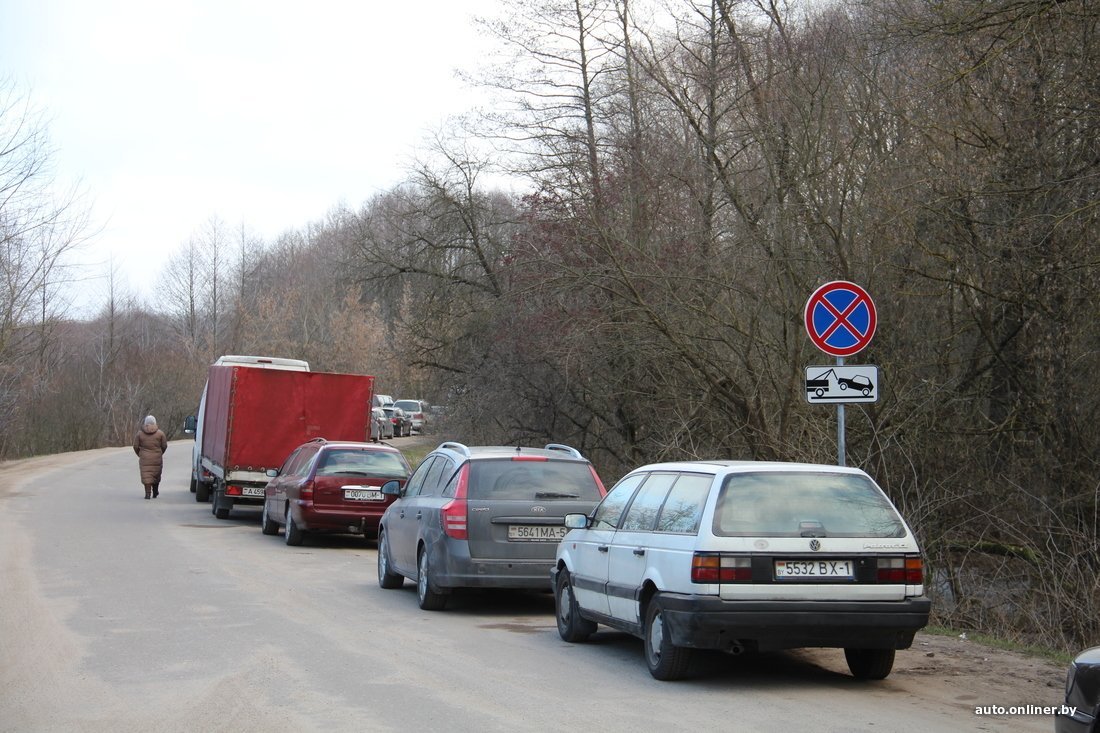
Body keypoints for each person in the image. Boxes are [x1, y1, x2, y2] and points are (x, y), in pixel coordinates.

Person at [133, 415, 168, 500]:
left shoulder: (139, 434)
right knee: (156, 474)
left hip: (144, 458)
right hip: (157, 457)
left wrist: (140, 454)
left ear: (145, 423)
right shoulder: (160, 433)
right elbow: (164, 446)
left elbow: (135, 446)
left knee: (146, 475)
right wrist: (160, 453)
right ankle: (155, 491)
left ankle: (147, 493)